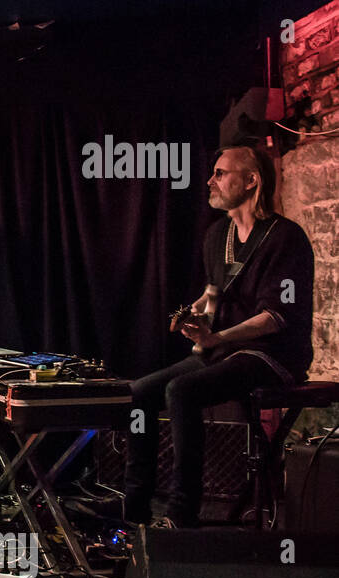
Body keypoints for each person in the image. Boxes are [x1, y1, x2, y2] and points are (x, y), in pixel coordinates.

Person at [126, 144, 314, 529]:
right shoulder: (217, 234)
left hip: (271, 355)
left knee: (181, 391)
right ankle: (134, 513)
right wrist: (196, 315)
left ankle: (181, 515)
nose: (210, 180)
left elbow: (276, 317)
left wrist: (217, 337)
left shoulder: (285, 238)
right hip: (226, 350)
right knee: (138, 391)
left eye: (220, 173)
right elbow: (216, 293)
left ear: (251, 180)